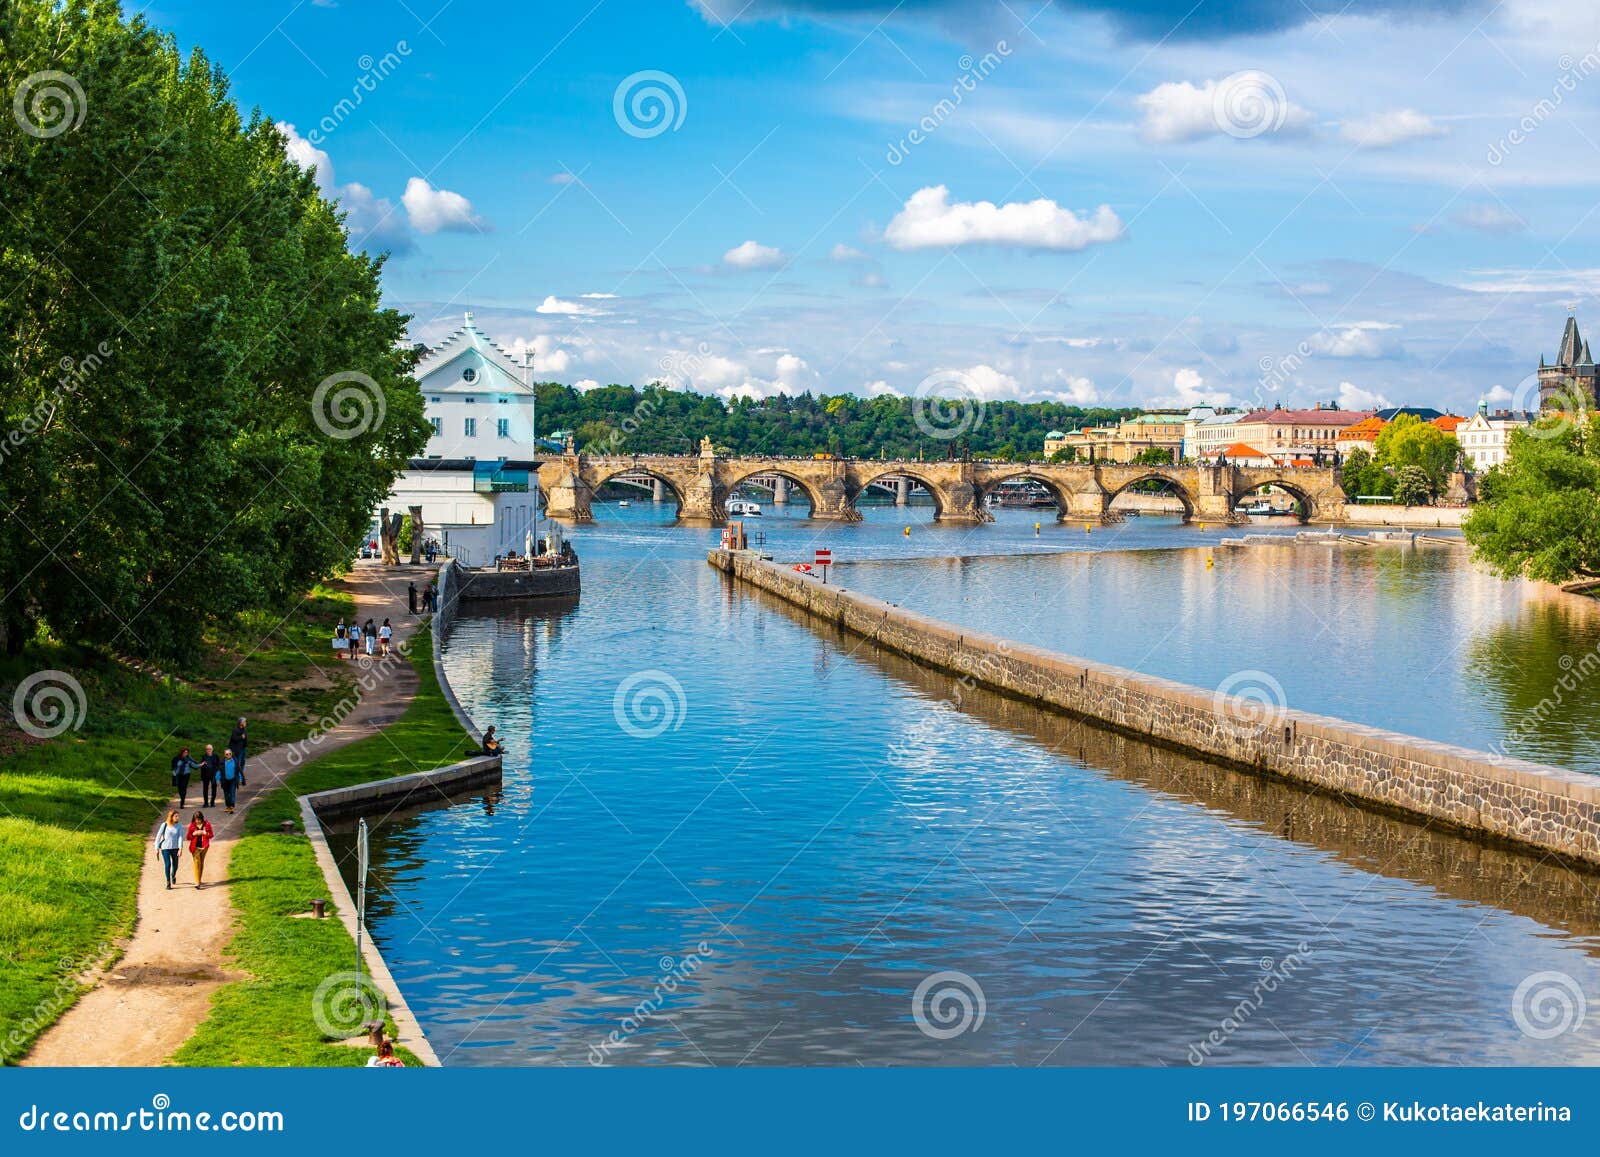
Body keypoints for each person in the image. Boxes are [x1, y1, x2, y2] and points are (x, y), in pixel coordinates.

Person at [155, 810, 184, 889]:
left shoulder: (179, 826)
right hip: (165, 848)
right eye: (176, 816)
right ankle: (168, 882)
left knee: (175, 865)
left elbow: (181, 837)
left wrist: (180, 848)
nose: (177, 817)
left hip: (175, 848)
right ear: (171, 817)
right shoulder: (164, 825)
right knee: (168, 864)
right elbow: (158, 836)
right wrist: (156, 848)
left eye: (178, 816)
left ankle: (173, 875)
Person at [187, 811, 213, 887]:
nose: (197, 821)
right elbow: (188, 837)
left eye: (199, 819)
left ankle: (199, 879)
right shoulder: (192, 825)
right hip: (195, 847)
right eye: (196, 820)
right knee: (196, 862)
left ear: (202, 819)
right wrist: (193, 834)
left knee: (201, 862)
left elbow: (211, 835)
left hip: (204, 847)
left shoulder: (207, 824)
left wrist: (205, 833)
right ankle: (197, 882)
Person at [227, 717, 248, 787]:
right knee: (238, 764)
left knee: (242, 763)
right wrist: (241, 737)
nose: (245, 723)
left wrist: (246, 743)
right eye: (244, 722)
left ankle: (241, 777)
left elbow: (245, 738)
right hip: (237, 750)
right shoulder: (235, 730)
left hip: (243, 749)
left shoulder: (244, 730)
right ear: (241, 723)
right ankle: (237, 779)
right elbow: (234, 738)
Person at [198, 744, 221, 808]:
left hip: (214, 775)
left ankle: (212, 802)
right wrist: (202, 776)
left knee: (214, 788)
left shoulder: (216, 756)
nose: (209, 750)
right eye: (207, 749)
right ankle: (206, 803)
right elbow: (202, 766)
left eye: (210, 749)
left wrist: (218, 776)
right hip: (205, 775)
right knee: (205, 789)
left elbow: (219, 765)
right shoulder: (204, 756)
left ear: (212, 749)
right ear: (206, 750)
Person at [220, 749, 239, 813]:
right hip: (225, 781)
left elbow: (238, 771)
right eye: (227, 754)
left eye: (230, 754)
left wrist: (241, 779)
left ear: (231, 754)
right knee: (226, 794)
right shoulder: (222, 762)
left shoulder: (234, 761)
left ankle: (232, 806)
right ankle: (228, 806)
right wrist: (217, 780)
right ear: (224, 755)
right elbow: (219, 771)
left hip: (233, 780)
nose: (228, 755)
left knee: (232, 793)